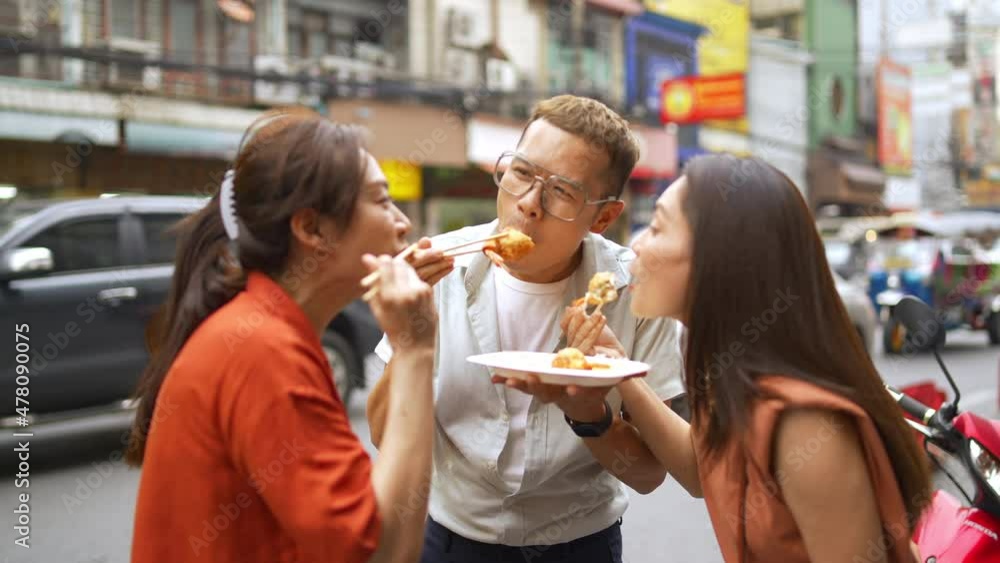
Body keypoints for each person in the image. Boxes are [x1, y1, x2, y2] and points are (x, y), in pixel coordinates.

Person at [547, 154, 932, 562]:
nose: (636, 245)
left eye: (658, 228)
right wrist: (618, 369)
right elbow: (702, 472)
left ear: (721, 256)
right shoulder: (732, 381)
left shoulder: (806, 424)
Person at [366, 95, 685, 563]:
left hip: (581, 545)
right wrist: (406, 336)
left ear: (604, 216)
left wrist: (591, 416)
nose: (529, 205)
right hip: (448, 539)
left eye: (562, 192)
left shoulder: (633, 291)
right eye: (520, 173)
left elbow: (647, 475)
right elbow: (380, 435)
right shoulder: (440, 268)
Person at [128, 109, 438, 563]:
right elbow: (380, 553)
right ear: (312, 228)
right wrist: (415, 350)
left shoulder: (264, 330)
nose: (402, 224)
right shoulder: (263, 350)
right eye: (381, 200)